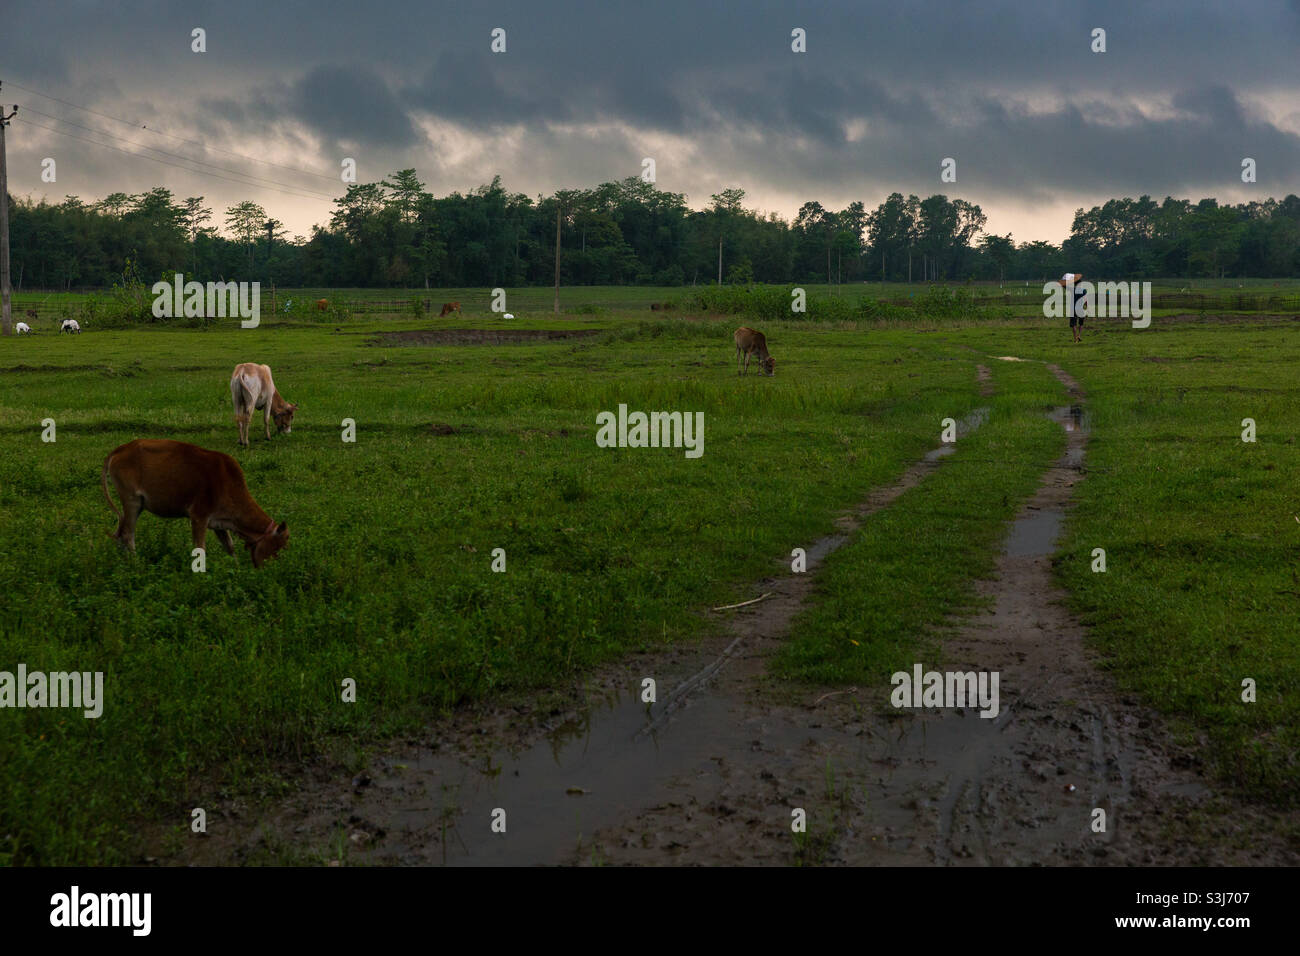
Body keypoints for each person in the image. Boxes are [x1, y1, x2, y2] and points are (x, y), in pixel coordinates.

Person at [1058, 272, 1087, 343]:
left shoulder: (1072, 289)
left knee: (1074, 324)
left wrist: (1064, 282)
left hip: (1073, 309)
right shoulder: (1084, 291)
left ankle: (1075, 339)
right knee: (1081, 323)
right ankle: (1079, 335)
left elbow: (1063, 286)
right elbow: (1086, 301)